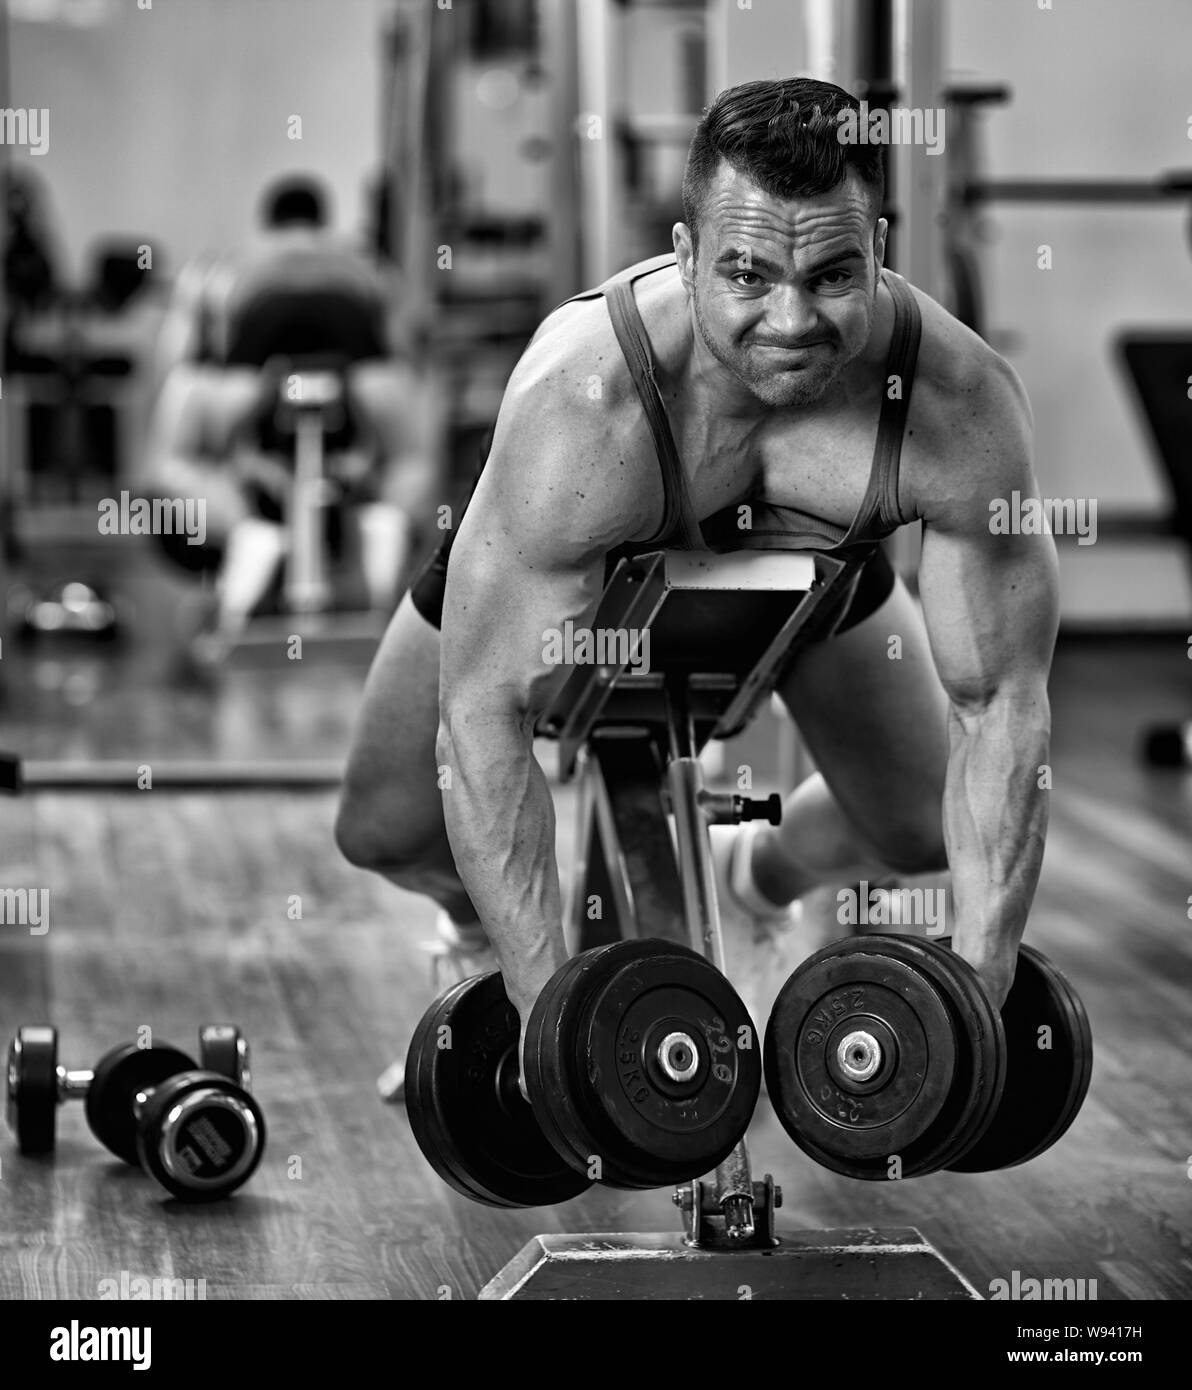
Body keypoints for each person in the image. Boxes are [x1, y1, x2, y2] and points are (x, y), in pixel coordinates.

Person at [334, 78, 1059, 1099]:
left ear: (879, 247)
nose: (793, 318)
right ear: (682, 257)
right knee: (383, 829)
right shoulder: (585, 407)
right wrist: (550, 1021)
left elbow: (1003, 702)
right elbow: (480, 715)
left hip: (805, 575)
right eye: (749, 275)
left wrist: (980, 992)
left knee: (913, 827)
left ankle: (753, 878)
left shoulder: (954, 404)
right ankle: (472, 935)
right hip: (576, 566)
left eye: (832, 274)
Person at [144, 175, 439, 645]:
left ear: (268, 221)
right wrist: (382, 476)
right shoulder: (367, 265)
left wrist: (194, 411)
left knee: (173, 455)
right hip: (364, 381)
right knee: (411, 456)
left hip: (245, 382)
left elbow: (175, 356)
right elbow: (405, 348)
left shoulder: (225, 264)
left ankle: (245, 538)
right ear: (323, 220)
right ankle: (384, 531)